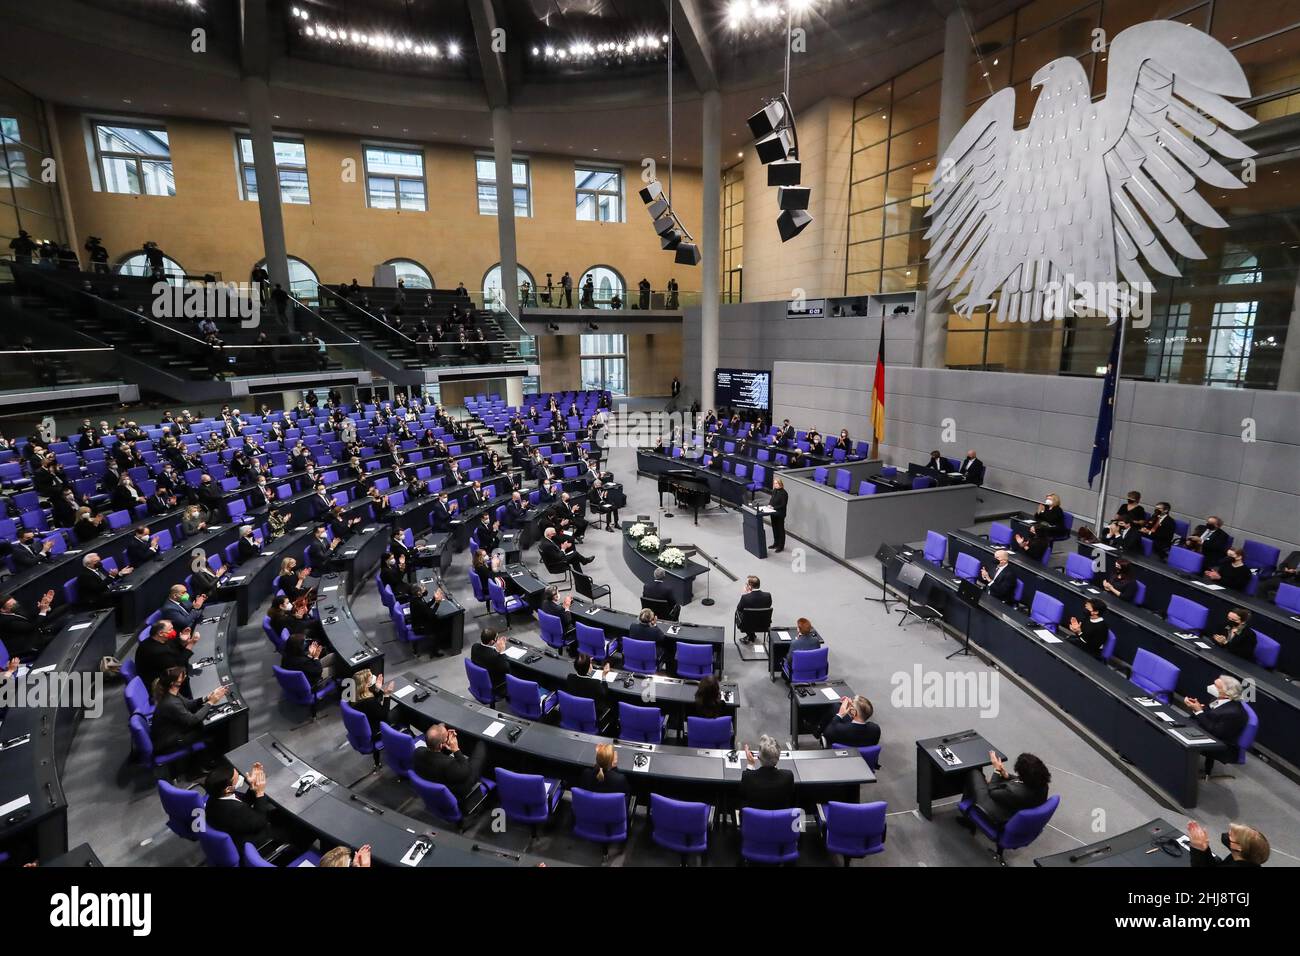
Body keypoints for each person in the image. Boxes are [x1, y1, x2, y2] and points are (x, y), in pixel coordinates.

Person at [959, 752, 1051, 830]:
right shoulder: (1042, 784)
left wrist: (997, 770)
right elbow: (1022, 781)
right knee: (989, 780)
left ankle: (968, 819)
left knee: (973, 772)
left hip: (999, 814)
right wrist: (1007, 775)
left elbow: (992, 791)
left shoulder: (1015, 792)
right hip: (1017, 806)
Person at [150, 665, 227, 756]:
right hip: (169, 742)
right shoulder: (171, 703)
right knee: (209, 731)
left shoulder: (171, 692)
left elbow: (188, 704)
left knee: (205, 721)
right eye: (182, 676)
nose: (185, 676)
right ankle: (206, 764)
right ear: (173, 682)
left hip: (172, 731)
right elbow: (192, 720)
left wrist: (207, 698)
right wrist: (211, 702)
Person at [1183, 675, 1249, 776]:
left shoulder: (1233, 713)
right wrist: (1197, 707)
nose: (1211, 687)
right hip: (1210, 730)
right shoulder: (1219, 699)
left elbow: (1215, 732)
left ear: (1227, 694)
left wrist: (1199, 711)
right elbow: (1211, 714)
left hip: (1221, 745)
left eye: (1216, 686)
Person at [412, 723, 489, 808]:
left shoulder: (417, 751)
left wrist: (447, 744)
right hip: (460, 787)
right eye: (446, 738)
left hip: (436, 779)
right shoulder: (449, 765)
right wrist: (456, 749)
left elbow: (436, 753)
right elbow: (466, 771)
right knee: (481, 745)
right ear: (441, 745)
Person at [203, 763, 274, 847]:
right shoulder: (236, 809)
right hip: (247, 840)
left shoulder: (215, 796)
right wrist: (260, 792)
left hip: (233, 825)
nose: (241, 777)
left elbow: (243, 800)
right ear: (228, 789)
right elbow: (260, 822)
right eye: (238, 777)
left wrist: (253, 787)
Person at [135, 619, 200, 692]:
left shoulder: (157, 639)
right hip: (161, 686)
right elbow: (178, 666)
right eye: (170, 629)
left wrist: (182, 641)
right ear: (160, 633)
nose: (173, 631)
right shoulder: (157, 652)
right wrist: (191, 644)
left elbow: (171, 645)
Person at [739, 735, 796, 811]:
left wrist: (750, 764)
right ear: (778, 758)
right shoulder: (788, 776)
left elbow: (744, 794)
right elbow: (791, 801)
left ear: (759, 758)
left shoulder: (747, 776)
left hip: (755, 822)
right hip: (780, 822)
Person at [0, 592, 58, 660]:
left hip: (37, 633)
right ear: (2, 610)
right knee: (59, 639)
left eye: (15, 603)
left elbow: (30, 617)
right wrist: (43, 610)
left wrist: (43, 606)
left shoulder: (15, 608)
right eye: (12, 605)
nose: (16, 605)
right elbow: (31, 627)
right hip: (28, 644)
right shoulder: (5, 621)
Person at [1186, 821, 1270, 867]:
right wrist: (1204, 849)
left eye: (1230, 835)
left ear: (1238, 847)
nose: (1226, 834)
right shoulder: (1246, 859)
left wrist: (1196, 848)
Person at [348, 668, 394, 741]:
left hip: (366, 723)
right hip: (375, 729)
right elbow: (384, 714)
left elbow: (371, 704)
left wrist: (377, 689)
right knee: (401, 710)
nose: (373, 677)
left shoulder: (354, 695)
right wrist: (387, 695)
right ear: (365, 684)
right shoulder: (369, 702)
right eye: (371, 677)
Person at [470, 627, 510, 694]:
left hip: (480, 679)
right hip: (494, 685)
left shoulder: (474, 647)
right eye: (497, 638)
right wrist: (501, 651)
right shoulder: (494, 657)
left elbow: (487, 654)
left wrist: (496, 650)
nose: (498, 639)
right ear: (492, 641)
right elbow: (506, 668)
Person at [734, 575, 772, 644]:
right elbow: (768, 605)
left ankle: (750, 635)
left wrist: (746, 594)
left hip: (747, 625)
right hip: (763, 623)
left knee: (739, 613)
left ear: (750, 586)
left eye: (747, 584)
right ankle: (751, 636)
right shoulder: (768, 595)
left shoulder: (745, 598)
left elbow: (739, 609)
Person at [768, 477, 789, 552]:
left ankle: (781, 546)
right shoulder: (774, 491)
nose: (775, 484)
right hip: (773, 513)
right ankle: (775, 543)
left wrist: (774, 508)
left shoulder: (784, 493)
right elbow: (772, 499)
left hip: (780, 514)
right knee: (774, 528)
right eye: (774, 483)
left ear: (780, 484)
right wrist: (769, 505)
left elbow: (783, 505)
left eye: (776, 483)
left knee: (780, 529)